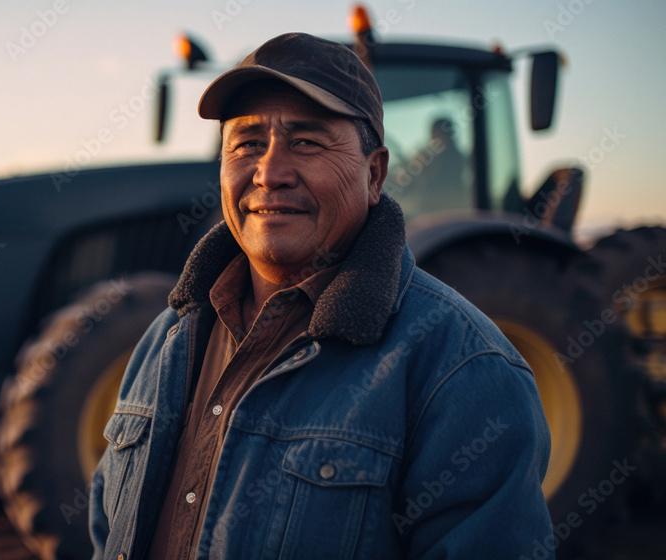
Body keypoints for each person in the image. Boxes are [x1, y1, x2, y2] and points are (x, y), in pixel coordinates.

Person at [89, 33, 551, 559]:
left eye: (306, 142)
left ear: (375, 174)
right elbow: (110, 529)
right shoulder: (168, 338)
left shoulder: (461, 368)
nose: (269, 173)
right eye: (245, 144)